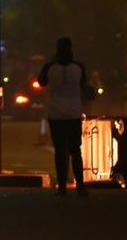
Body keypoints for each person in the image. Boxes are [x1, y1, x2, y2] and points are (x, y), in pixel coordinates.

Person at [37, 37, 88, 196]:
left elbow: (41, 82)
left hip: (56, 115)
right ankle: (80, 186)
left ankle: (62, 187)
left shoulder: (50, 67)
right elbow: (83, 83)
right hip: (74, 114)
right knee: (75, 150)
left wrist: (52, 62)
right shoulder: (78, 67)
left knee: (60, 151)